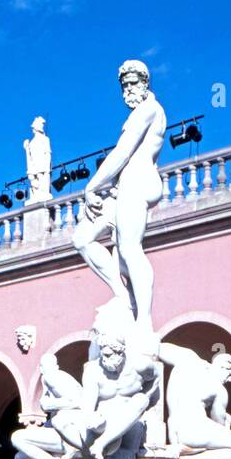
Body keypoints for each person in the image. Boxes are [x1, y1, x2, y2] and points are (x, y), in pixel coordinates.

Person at [72, 60, 167, 327]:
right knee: (82, 239)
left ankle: (144, 322)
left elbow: (123, 151)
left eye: (133, 83)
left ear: (145, 83)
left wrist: (91, 186)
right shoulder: (139, 112)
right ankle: (124, 297)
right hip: (122, 187)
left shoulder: (148, 110)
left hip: (138, 183)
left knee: (129, 250)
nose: (128, 89)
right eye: (124, 85)